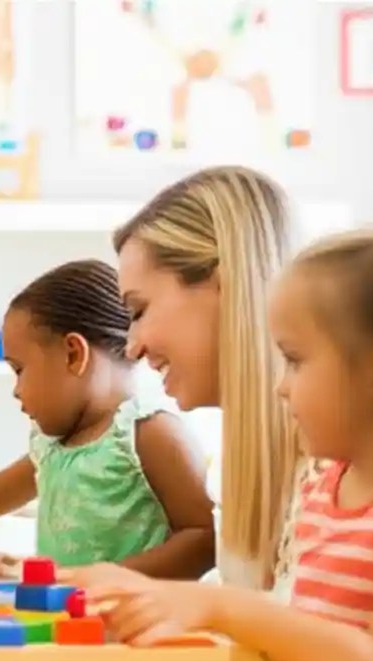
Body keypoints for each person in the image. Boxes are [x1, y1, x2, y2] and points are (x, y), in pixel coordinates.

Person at [77, 230, 373, 661]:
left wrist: (217, 607)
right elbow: (305, 634)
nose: (281, 387)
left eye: (295, 360)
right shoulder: (322, 487)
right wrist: (158, 601)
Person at [0, 260, 215, 578]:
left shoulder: (148, 433)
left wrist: (102, 582)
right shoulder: (53, 445)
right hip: (66, 622)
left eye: (19, 369)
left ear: (73, 354)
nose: (16, 390)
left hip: (134, 633)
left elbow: (202, 537)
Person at [72, 166, 305, 594]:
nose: (133, 346)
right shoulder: (244, 463)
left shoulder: (334, 469)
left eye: (139, 310)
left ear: (226, 285)